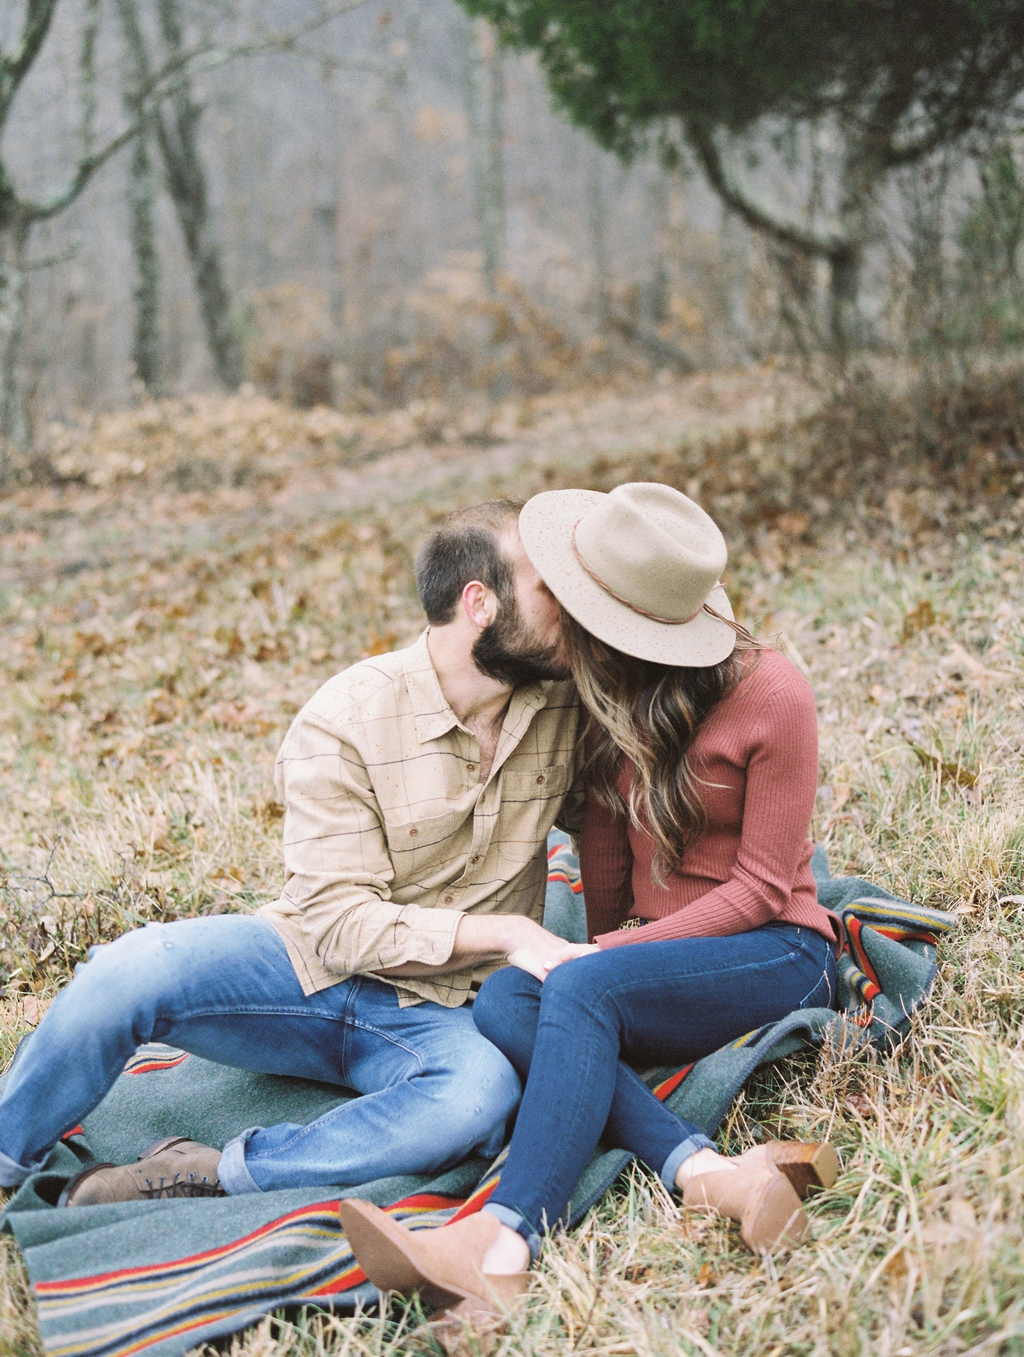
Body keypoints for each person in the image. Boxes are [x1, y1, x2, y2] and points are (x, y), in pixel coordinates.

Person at [338, 483, 842, 1326]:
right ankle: (709, 1175)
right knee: (507, 994)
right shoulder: (599, 700)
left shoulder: (774, 693)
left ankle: (503, 1243)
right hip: (659, 959)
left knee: (577, 984)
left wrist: (607, 960)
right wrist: (612, 943)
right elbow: (601, 853)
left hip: (778, 953)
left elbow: (760, 887)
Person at [0, 500, 588, 1204]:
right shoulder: (344, 718)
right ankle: (7, 1156)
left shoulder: (566, 704)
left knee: (476, 1096)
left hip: (445, 1009)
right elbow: (338, 925)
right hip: (307, 971)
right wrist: (510, 932)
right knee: (130, 969)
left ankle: (207, 1170)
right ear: (481, 603)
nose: (571, 606)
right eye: (549, 587)